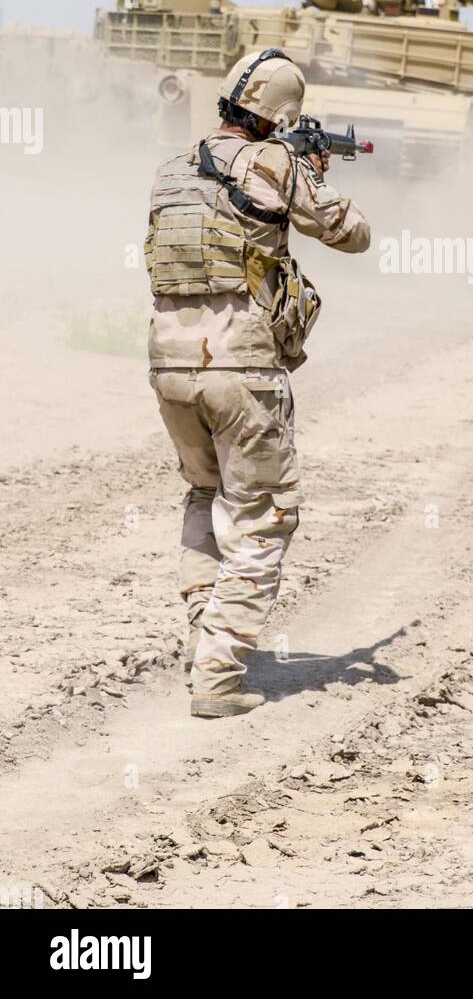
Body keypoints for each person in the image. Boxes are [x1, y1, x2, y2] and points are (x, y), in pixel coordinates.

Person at [144, 47, 370, 717]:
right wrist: (311, 173)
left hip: (168, 360)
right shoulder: (276, 161)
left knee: (203, 493)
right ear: (283, 116)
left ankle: (200, 637)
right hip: (239, 365)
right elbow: (350, 233)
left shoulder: (172, 167)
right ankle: (217, 676)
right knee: (264, 516)